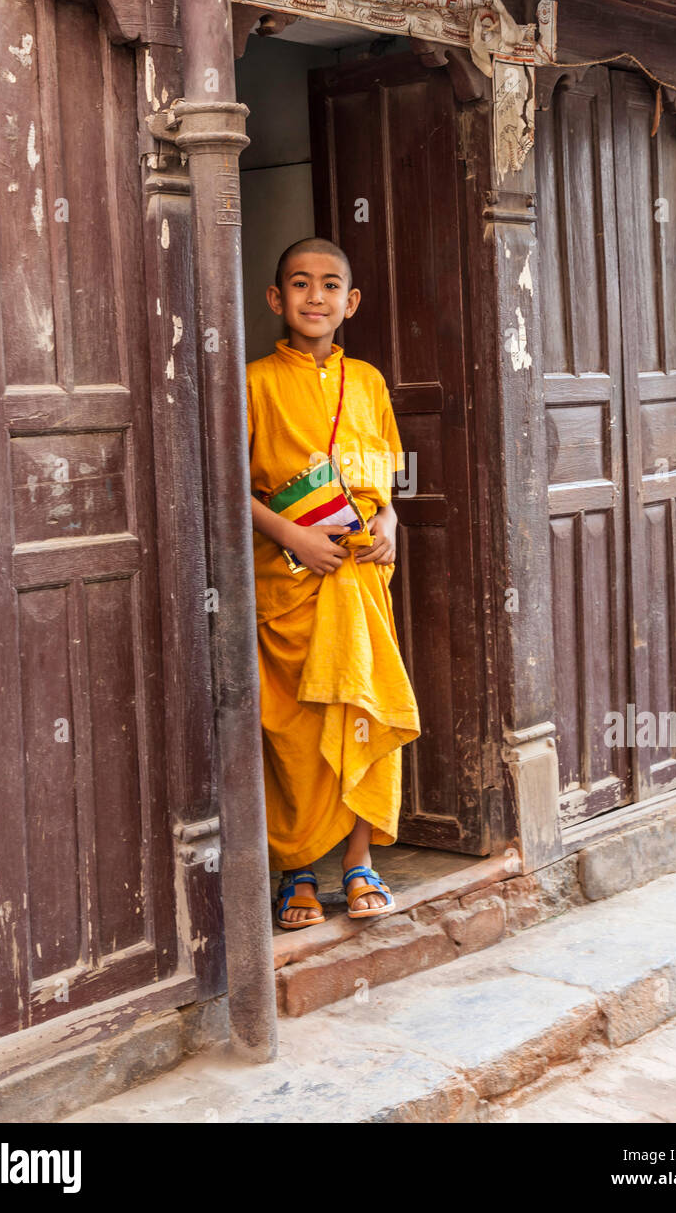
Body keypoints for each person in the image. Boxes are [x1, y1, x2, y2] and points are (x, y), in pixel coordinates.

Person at [247, 237, 420, 930]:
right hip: (289, 581)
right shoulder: (254, 381)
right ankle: (297, 873)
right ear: (275, 299)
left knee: (361, 712)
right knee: (294, 727)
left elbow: (389, 476)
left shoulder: (370, 381)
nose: (313, 298)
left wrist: (393, 522)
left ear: (350, 303)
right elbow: (224, 484)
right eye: (298, 284)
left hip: (359, 579)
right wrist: (291, 535)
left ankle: (358, 861)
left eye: (328, 286)